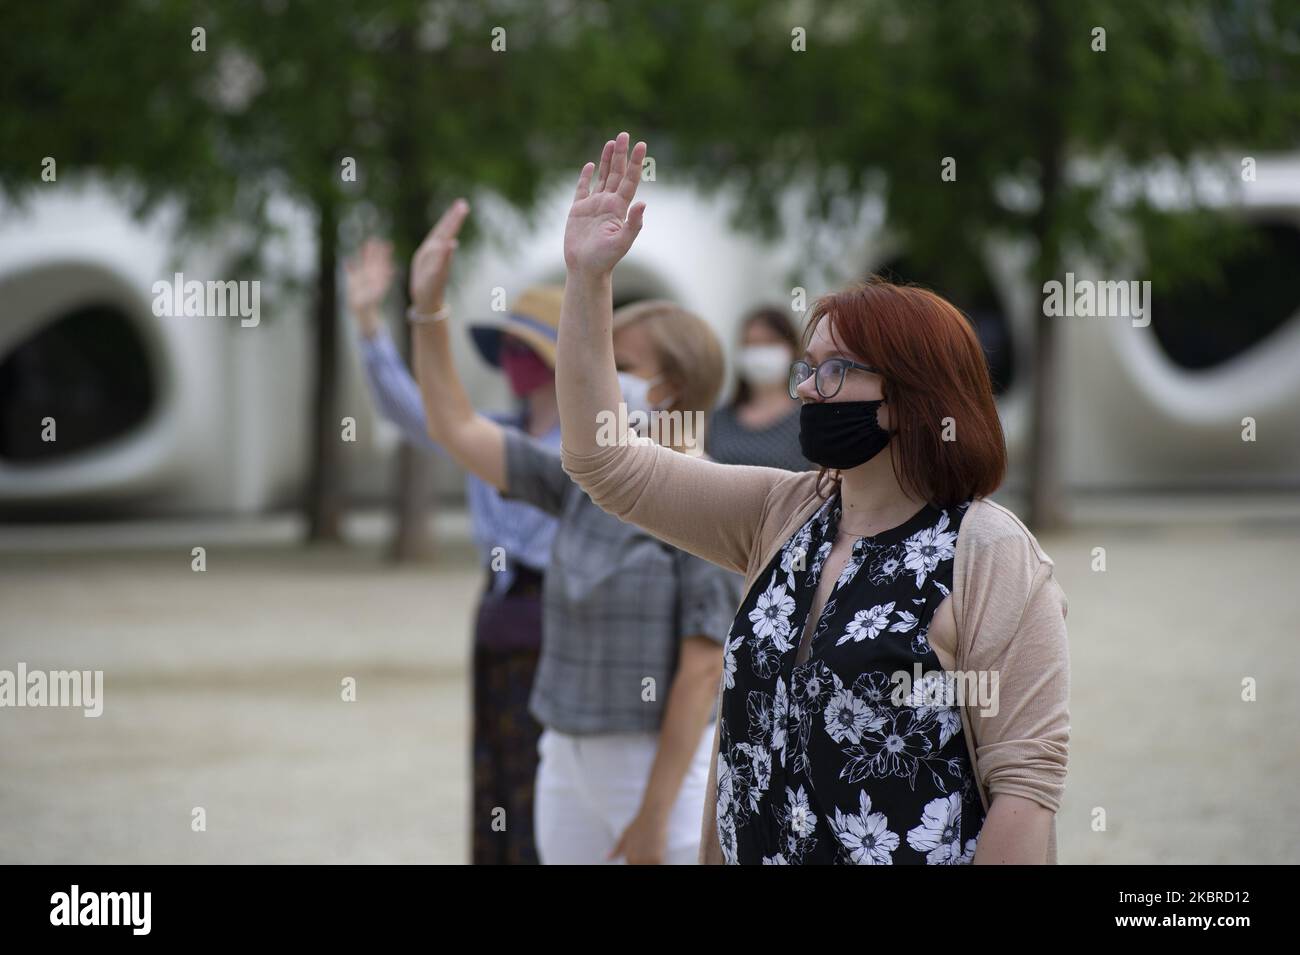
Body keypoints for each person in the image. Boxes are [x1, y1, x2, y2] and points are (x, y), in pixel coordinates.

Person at [555, 132, 1070, 865]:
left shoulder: (989, 551)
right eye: (806, 368)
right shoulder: (780, 513)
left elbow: (1023, 790)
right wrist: (589, 280)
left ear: (909, 397)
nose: (805, 390)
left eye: (834, 372)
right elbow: (602, 458)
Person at [405, 200, 743, 864]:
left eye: (620, 362)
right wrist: (427, 311)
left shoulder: (709, 498)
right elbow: (457, 429)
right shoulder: (589, 477)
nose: (596, 374)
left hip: (654, 767)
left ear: (670, 388)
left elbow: (703, 672)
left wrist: (652, 817)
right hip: (562, 749)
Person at [344, 239, 562, 865]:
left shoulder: (594, 445)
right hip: (497, 619)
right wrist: (368, 321)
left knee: (550, 778)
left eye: (527, 349)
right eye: (509, 349)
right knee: (496, 766)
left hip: (563, 619)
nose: (514, 361)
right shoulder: (488, 435)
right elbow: (414, 411)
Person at [707, 306, 812, 471]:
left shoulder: (807, 419)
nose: (760, 352)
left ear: (792, 349)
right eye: (751, 343)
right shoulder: (719, 418)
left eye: (770, 342)